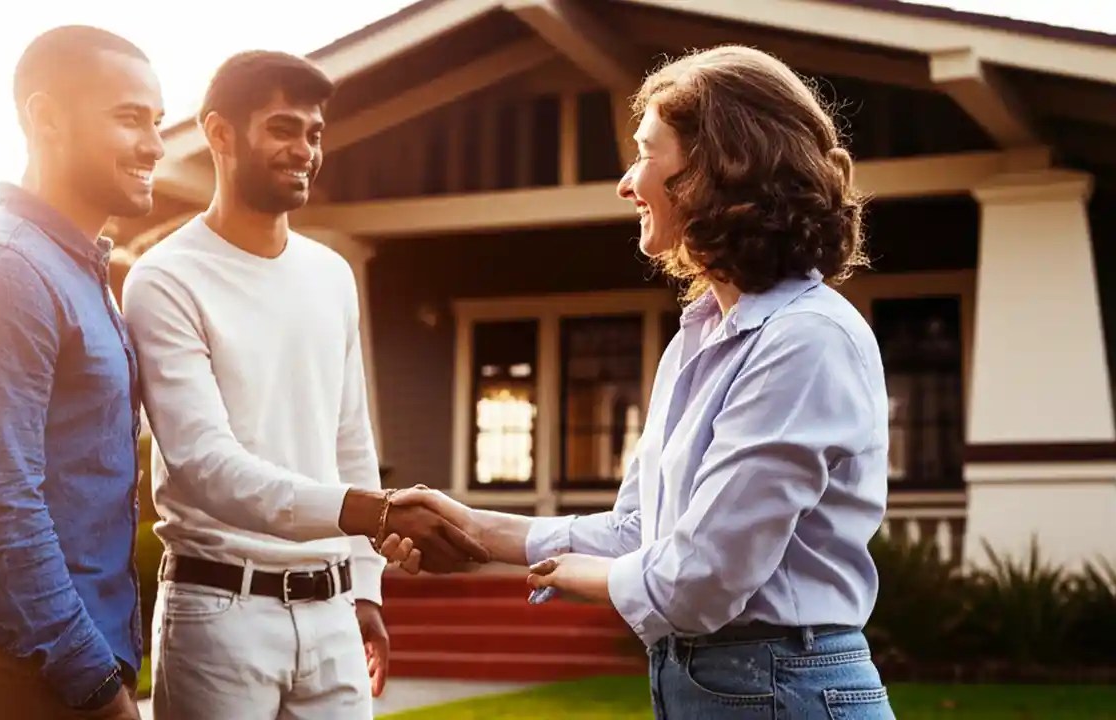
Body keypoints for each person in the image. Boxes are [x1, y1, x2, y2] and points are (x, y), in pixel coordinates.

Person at [381, 45, 895, 718]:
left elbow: (703, 579)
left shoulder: (805, 340)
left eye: (648, 153)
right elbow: (639, 533)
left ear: (718, 169)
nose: (626, 183)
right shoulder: (698, 335)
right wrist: (473, 529)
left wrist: (577, 575)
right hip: (713, 684)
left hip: (780, 687)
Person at [121, 51, 487, 720]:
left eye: (315, 133)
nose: (306, 150)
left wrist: (367, 585)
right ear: (220, 135)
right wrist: (375, 514)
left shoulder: (331, 274)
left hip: (333, 617)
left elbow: (351, 438)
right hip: (220, 618)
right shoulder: (166, 280)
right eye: (284, 129)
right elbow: (206, 467)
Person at [0, 25, 164, 720]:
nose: (155, 145)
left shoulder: (75, 271)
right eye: (130, 118)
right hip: (18, 673)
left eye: (158, 122)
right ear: (46, 118)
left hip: (60, 668)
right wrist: (97, 690)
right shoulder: (2, 270)